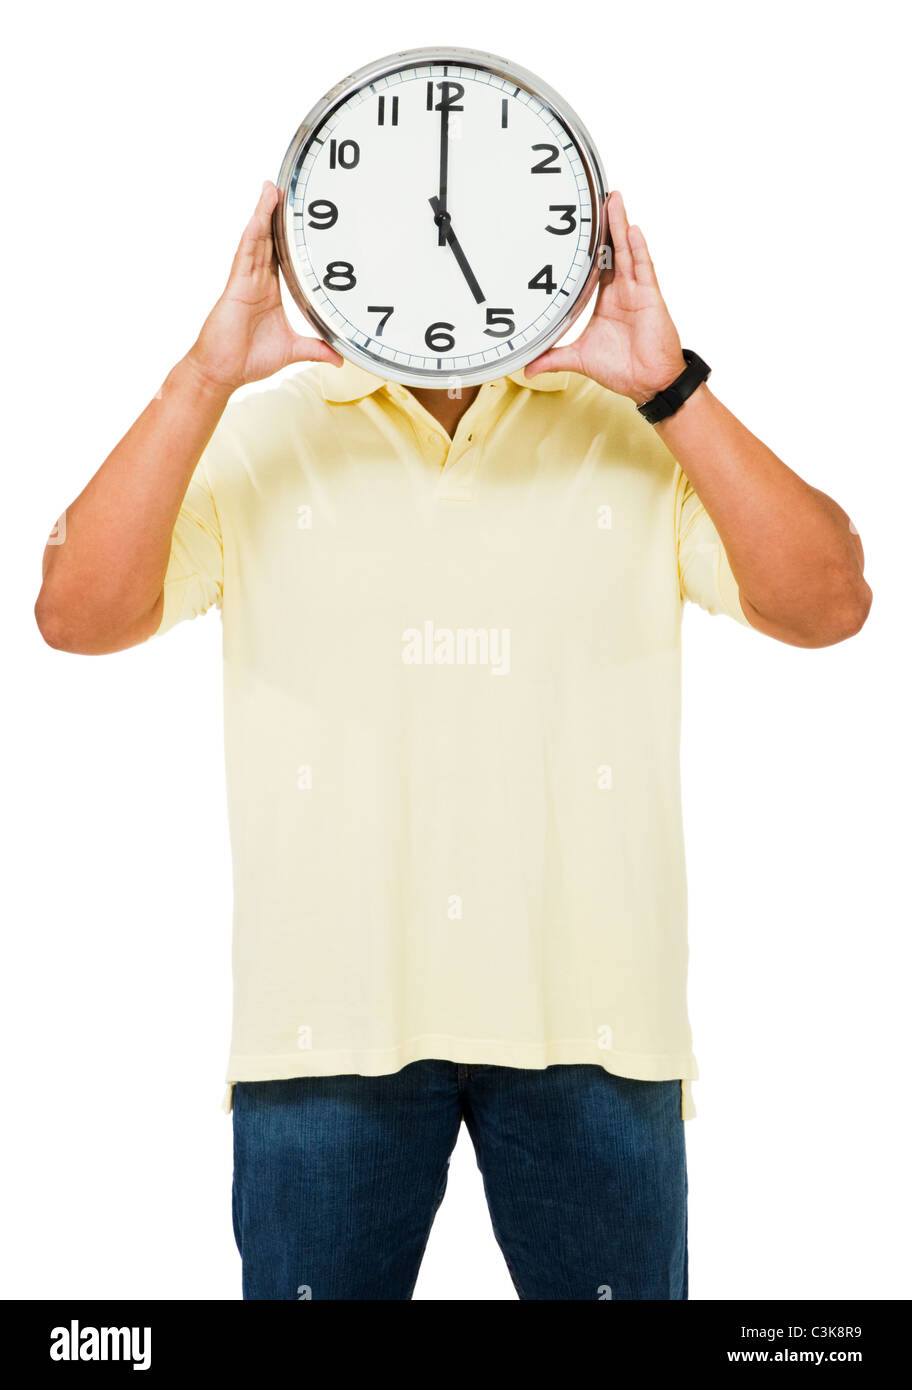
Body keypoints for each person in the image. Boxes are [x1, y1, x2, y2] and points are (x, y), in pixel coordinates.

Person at [35, 181, 871, 1301]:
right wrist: (203, 377)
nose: (440, 244)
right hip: (323, 1026)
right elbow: (75, 616)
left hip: (597, 1024)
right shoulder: (257, 432)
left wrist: (672, 389)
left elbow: (829, 601)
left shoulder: (639, 432)